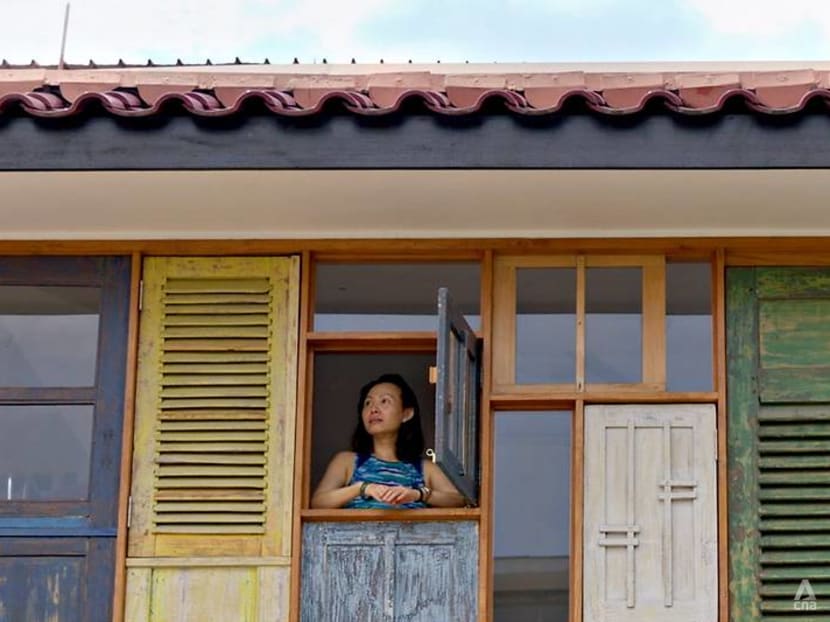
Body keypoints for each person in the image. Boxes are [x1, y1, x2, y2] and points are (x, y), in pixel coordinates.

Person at [311, 373, 465, 509]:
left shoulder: (425, 468)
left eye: (384, 401)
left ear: (406, 414)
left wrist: (418, 494)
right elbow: (318, 502)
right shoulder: (347, 461)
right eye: (368, 403)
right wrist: (362, 488)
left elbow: (459, 499)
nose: (373, 409)